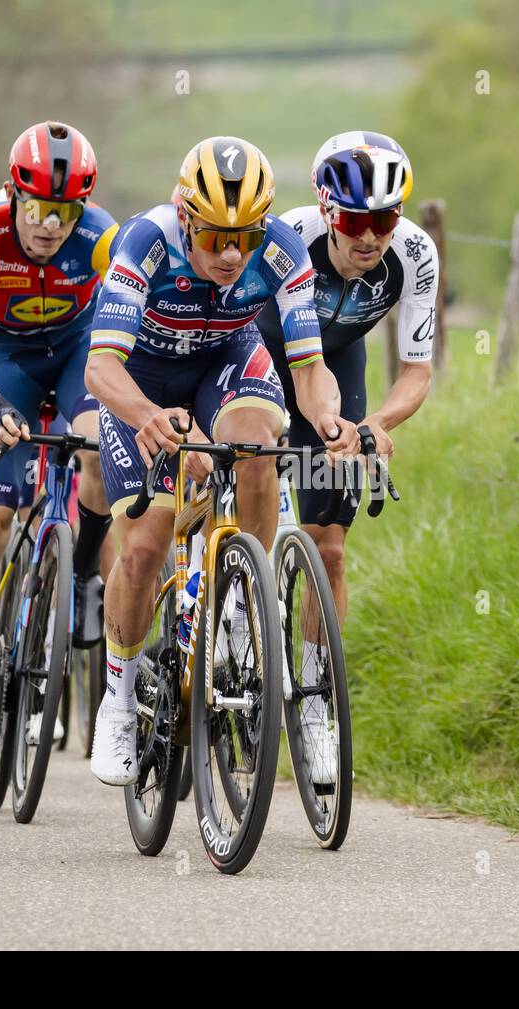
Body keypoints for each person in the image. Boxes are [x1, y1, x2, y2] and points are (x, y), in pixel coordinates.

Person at [82, 135, 356, 786]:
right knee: (145, 547)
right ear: (185, 217)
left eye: (246, 238)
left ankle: (242, 599)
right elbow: (99, 367)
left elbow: (310, 367)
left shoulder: (283, 251)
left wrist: (327, 418)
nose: (233, 254)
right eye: (215, 239)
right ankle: (117, 696)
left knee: (261, 448)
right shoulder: (145, 242)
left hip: (224, 362)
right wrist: (146, 414)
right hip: (141, 378)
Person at [0, 121, 120, 776]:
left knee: (101, 444)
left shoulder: (103, 237)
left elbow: (126, 336)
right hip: (2, 362)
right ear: (14, 197)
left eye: (64, 211)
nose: (49, 226)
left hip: (76, 353)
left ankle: (86, 571)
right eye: (38, 209)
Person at [253, 131, 436, 780]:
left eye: (383, 219)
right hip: (258, 355)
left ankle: (310, 702)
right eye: (356, 220)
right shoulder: (287, 235)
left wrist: (375, 424)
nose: (370, 237)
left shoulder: (414, 253)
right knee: (247, 499)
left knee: (329, 548)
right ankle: (208, 593)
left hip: (337, 365)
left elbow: (417, 371)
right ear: (328, 213)